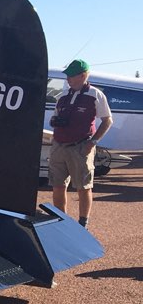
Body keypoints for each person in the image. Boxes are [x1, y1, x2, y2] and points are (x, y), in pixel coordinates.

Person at [48, 58, 112, 230]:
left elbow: (107, 120)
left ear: (83, 76)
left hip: (80, 147)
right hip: (59, 146)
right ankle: (61, 220)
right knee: (57, 185)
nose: (68, 78)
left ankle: (83, 224)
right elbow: (54, 118)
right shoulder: (63, 96)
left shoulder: (95, 95)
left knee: (83, 187)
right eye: (67, 75)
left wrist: (93, 142)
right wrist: (55, 121)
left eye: (71, 75)